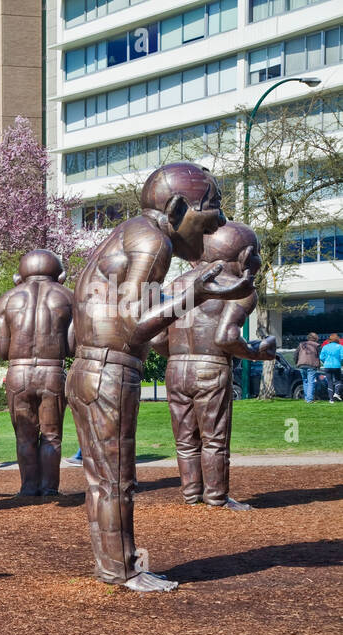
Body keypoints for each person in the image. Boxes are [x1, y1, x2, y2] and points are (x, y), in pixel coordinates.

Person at [69, 161, 251, 592]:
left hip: (89, 370)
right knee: (115, 479)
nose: (220, 224)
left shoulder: (129, 235)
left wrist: (184, 293)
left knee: (103, 480)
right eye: (213, 209)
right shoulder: (154, 242)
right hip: (109, 372)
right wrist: (197, 292)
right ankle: (124, 570)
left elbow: (101, 319)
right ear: (175, 207)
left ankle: (114, 564)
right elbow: (134, 326)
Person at [151, 220, 276, 510]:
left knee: (185, 438)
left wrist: (179, 357)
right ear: (244, 256)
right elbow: (226, 337)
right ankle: (217, 498)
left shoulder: (175, 286)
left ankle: (191, 495)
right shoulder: (238, 288)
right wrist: (257, 352)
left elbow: (157, 338)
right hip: (211, 368)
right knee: (213, 438)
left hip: (176, 369)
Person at [0, 249, 76, 493]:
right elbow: (71, 347)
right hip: (52, 372)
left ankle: (28, 487)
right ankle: (49, 488)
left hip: (18, 373)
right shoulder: (68, 297)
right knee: (51, 436)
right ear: (61, 276)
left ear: (19, 277)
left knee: (24, 437)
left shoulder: (6, 300)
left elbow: (2, 350)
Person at [295, 332, 321, 403]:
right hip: (311, 365)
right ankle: (309, 399)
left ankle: (307, 398)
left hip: (301, 365)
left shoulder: (301, 344)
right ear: (315, 339)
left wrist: (297, 363)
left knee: (305, 381)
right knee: (311, 382)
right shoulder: (317, 346)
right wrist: (319, 365)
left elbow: (296, 354)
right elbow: (319, 356)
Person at [321, 333, 343, 403]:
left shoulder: (325, 347)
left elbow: (321, 357)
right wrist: (341, 363)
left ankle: (331, 400)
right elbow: (342, 357)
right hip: (336, 365)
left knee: (329, 382)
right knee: (338, 380)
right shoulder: (340, 347)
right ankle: (336, 393)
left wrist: (325, 362)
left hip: (327, 366)